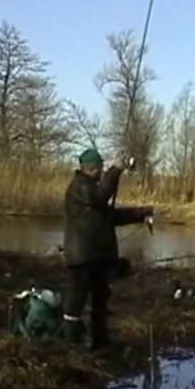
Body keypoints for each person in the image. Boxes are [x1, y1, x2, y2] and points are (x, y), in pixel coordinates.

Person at [62, 148, 153, 349]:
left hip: (97, 257)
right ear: (93, 168)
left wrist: (141, 214)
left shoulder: (91, 189)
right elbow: (101, 196)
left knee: (100, 298)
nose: (103, 172)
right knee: (77, 300)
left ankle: (100, 341)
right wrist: (116, 170)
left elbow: (110, 216)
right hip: (82, 256)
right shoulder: (80, 187)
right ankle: (71, 344)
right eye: (102, 168)